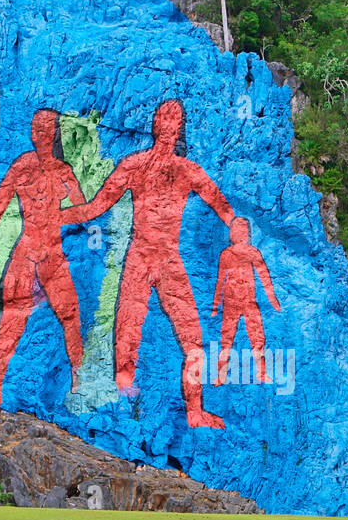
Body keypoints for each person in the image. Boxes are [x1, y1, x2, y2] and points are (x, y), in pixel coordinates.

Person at [62, 100, 234, 428]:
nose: (167, 123)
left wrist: (237, 229)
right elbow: (97, 205)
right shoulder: (134, 165)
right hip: (140, 256)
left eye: (174, 118)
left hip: (169, 259)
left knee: (193, 339)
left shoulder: (188, 171)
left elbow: (219, 202)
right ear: (154, 123)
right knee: (127, 329)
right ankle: (123, 395)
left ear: (180, 126)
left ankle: (194, 411)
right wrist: (59, 216)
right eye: (162, 116)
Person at [0, 109, 86, 409]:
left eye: (48, 128)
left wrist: (62, 216)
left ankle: (79, 378)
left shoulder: (64, 171)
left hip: (53, 253)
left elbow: (83, 210)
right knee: (10, 318)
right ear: (31, 132)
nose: (41, 133)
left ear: (55, 134)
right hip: (25, 252)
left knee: (70, 315)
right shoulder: (22, 166)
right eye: (37, 127)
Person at [212, 217, 280, 385]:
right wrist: (215, 305)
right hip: (232, 301)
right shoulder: (227, 254)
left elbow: (264, 276)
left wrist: (273, 301)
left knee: (256, 338)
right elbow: (220, 280)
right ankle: (221, 375)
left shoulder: (252, 253)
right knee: (228, 339)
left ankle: (261, 373)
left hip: (248, 301)